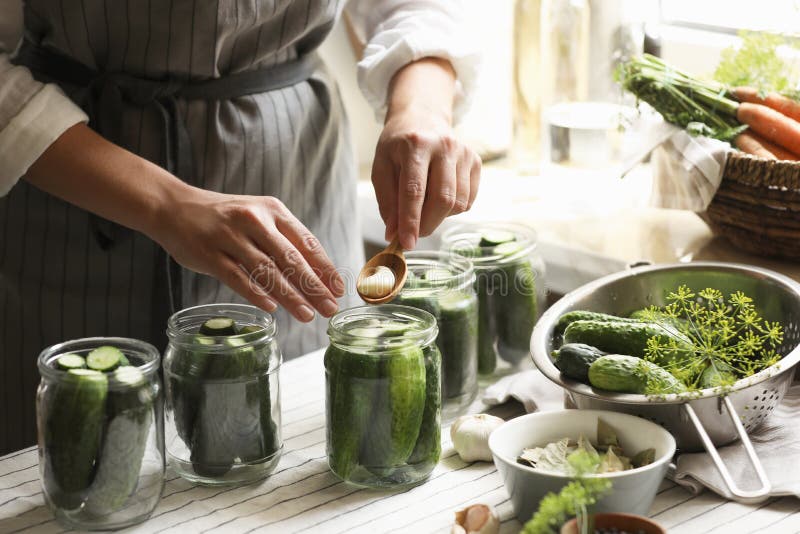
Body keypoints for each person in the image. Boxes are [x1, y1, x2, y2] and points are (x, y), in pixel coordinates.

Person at [0, 1, 481, 454]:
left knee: (300, 456)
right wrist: (165, 204)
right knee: (68, 475)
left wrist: (422, 106)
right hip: (70, 197)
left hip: (298, 187)